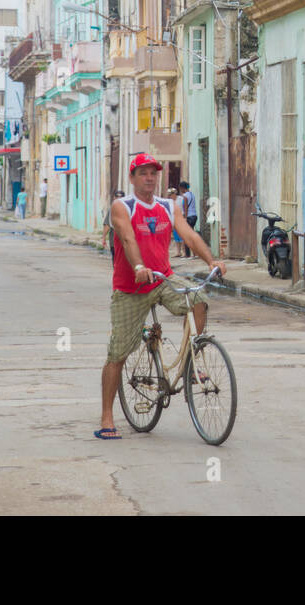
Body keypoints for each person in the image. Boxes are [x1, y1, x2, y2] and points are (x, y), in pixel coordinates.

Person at [96, 154, 225, 440]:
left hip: (164, 278)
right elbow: (128, 240)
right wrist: (139, 266)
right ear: (132, 178)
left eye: (153, 173)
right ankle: (107, 416)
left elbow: (188, 235)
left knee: (199, 298)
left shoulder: (169, 206)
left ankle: (192, 362)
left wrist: (210, 261)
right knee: (117, 354)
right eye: (143, 173)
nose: (150, 178)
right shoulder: (123, 206)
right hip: (131, 287)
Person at [100, 190, 125, 267]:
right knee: (117, 261)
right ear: (114, 198)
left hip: (124, 241)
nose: (118, 199)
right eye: (117, 197)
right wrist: (104, 237)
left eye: (120, 197)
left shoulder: (127, 209)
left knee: (119, 262)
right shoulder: (112, 209)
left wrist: (103, 238)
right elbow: (107, 225)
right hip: (114, 240)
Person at [179, 181, 199, 258]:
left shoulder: (185, 196)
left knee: (187, 236)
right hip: (194, 216)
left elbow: (185, 208)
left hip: (189, 217)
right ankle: (194, 254)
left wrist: (185, 218)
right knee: (191, 235)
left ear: (182, 188)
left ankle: (188, 254)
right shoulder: (192, 194)